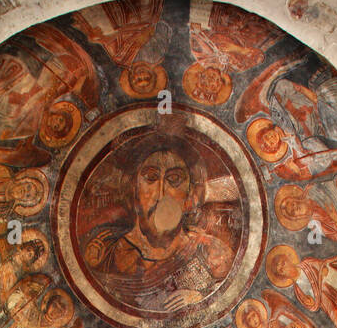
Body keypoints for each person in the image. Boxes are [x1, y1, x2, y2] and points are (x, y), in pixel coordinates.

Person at [82, 134, 234, 316]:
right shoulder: (106, 254)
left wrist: (200, 299)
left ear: (190, 194)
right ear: (133, 190)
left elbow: (231, 297)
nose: (161, 193)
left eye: (175, 179)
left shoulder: (211, 251)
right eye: (150, 177)